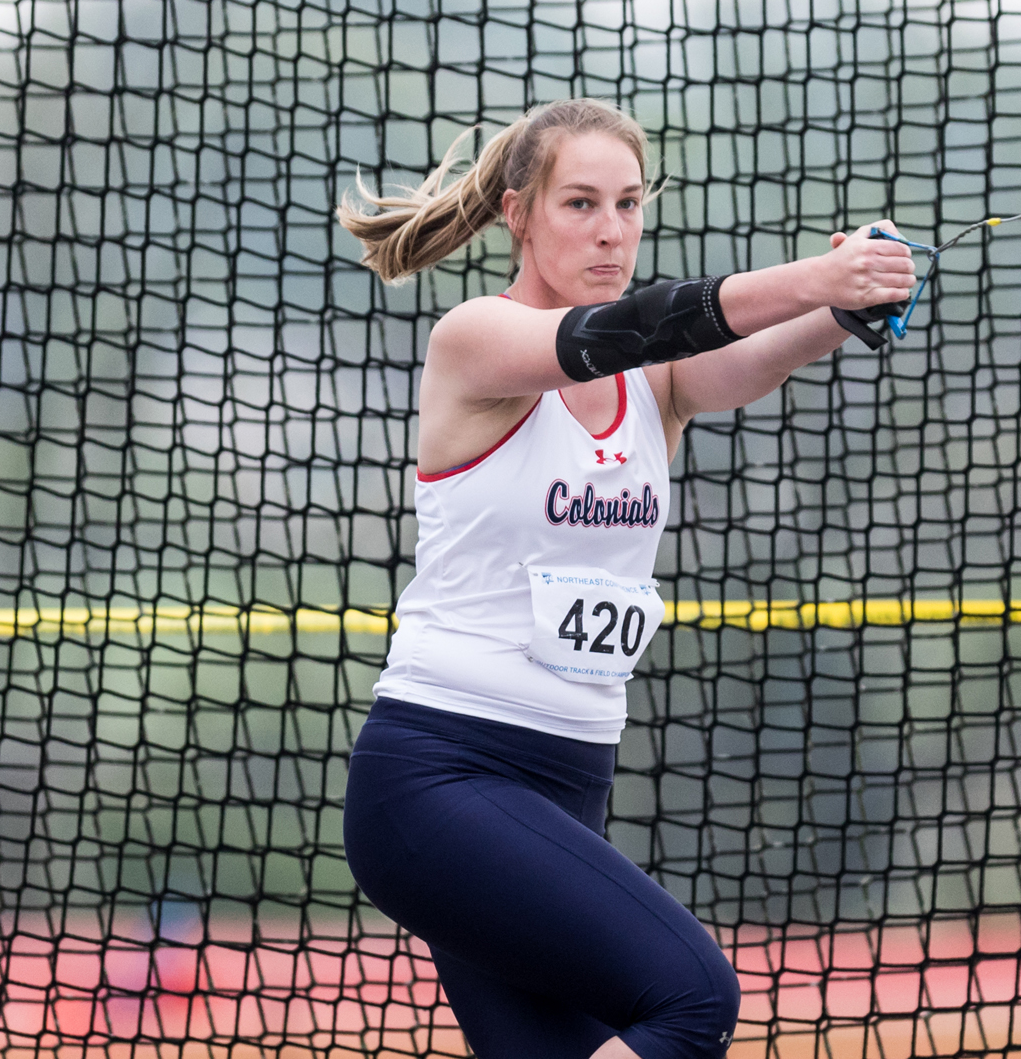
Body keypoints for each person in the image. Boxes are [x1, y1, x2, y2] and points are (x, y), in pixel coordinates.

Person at [335, 97, 914, 1059]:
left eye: (629, 204)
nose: (612, 230)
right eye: (581, 203)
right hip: (440, 781)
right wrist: (817, 275)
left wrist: (845, 304)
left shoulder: (658, 383)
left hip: (570, 783)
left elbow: (747, 355)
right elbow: (634, 328)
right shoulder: (477, 337)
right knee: (693, 999)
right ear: (518, 214)